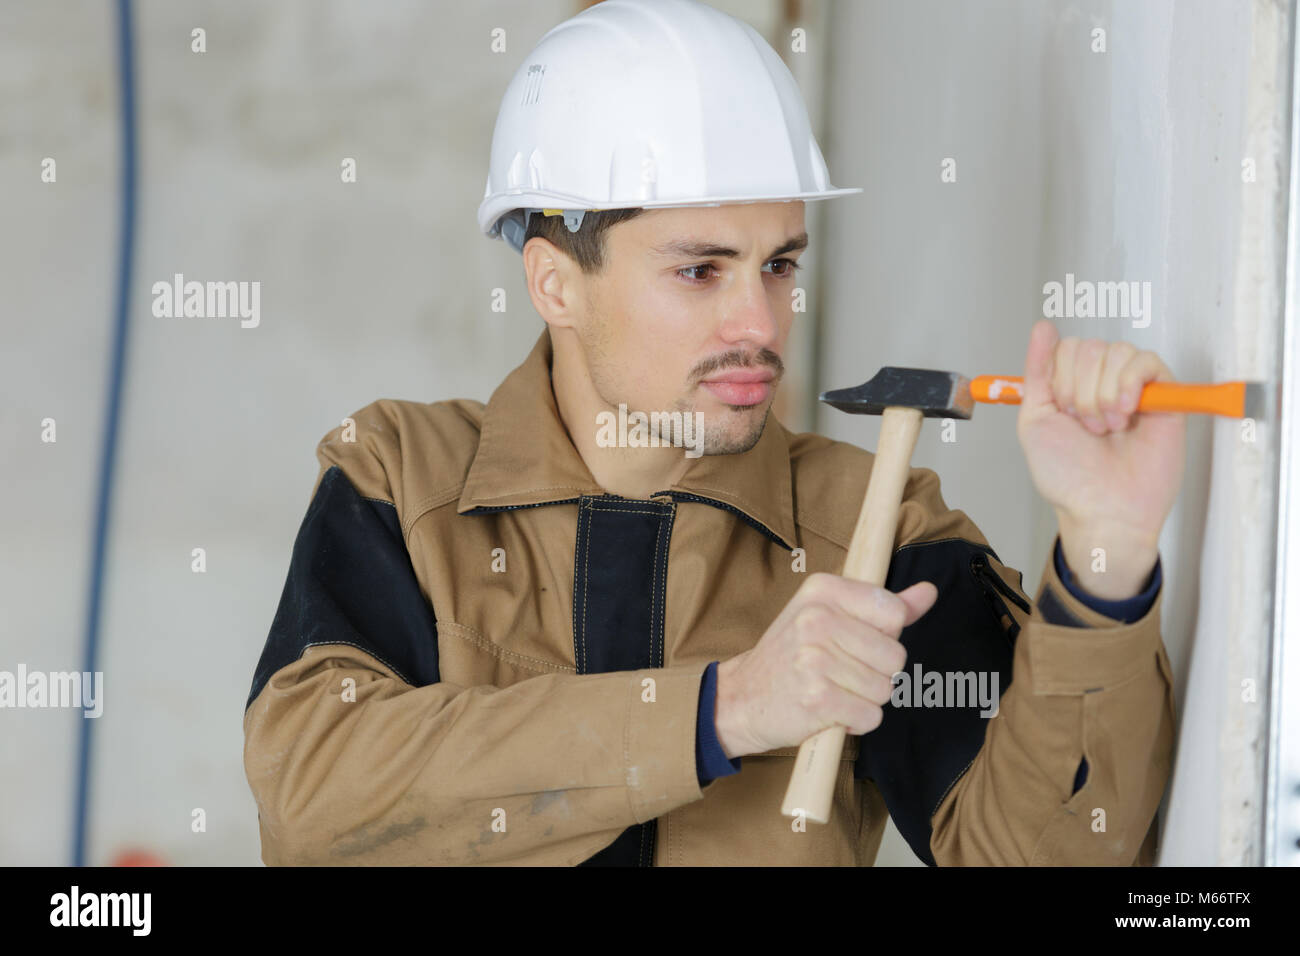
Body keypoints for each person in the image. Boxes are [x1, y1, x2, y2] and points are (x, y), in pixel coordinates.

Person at [243, 0, 1181, 866]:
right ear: (553, 282)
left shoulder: (872, 529)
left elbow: (1049, 857)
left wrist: (1105, 558)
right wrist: (724, 708)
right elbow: (315, 798)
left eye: (778, 265)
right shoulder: (403, 480)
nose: (763, 325)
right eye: (700, 271)